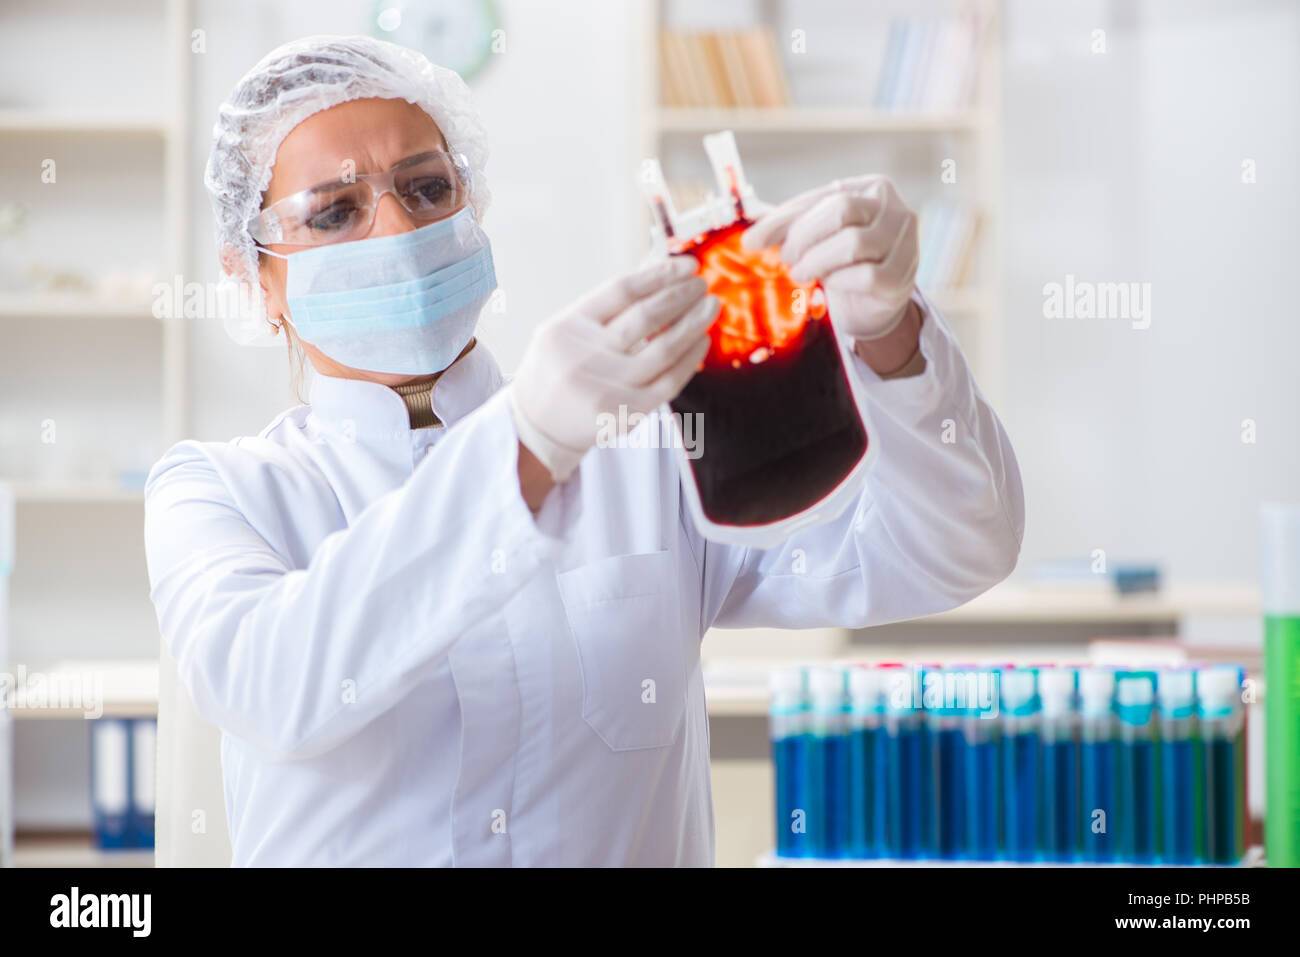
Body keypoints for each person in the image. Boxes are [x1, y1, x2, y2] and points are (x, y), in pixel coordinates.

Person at [144, 34, 1024, 866]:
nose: (395, 231)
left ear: (472, 207)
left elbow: (950, 550)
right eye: (333, 211)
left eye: (425, 189)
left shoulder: (648, 447)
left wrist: (890, 337)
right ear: (254, 276)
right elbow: (275, 683)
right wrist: (526, 443)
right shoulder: (216, 491)